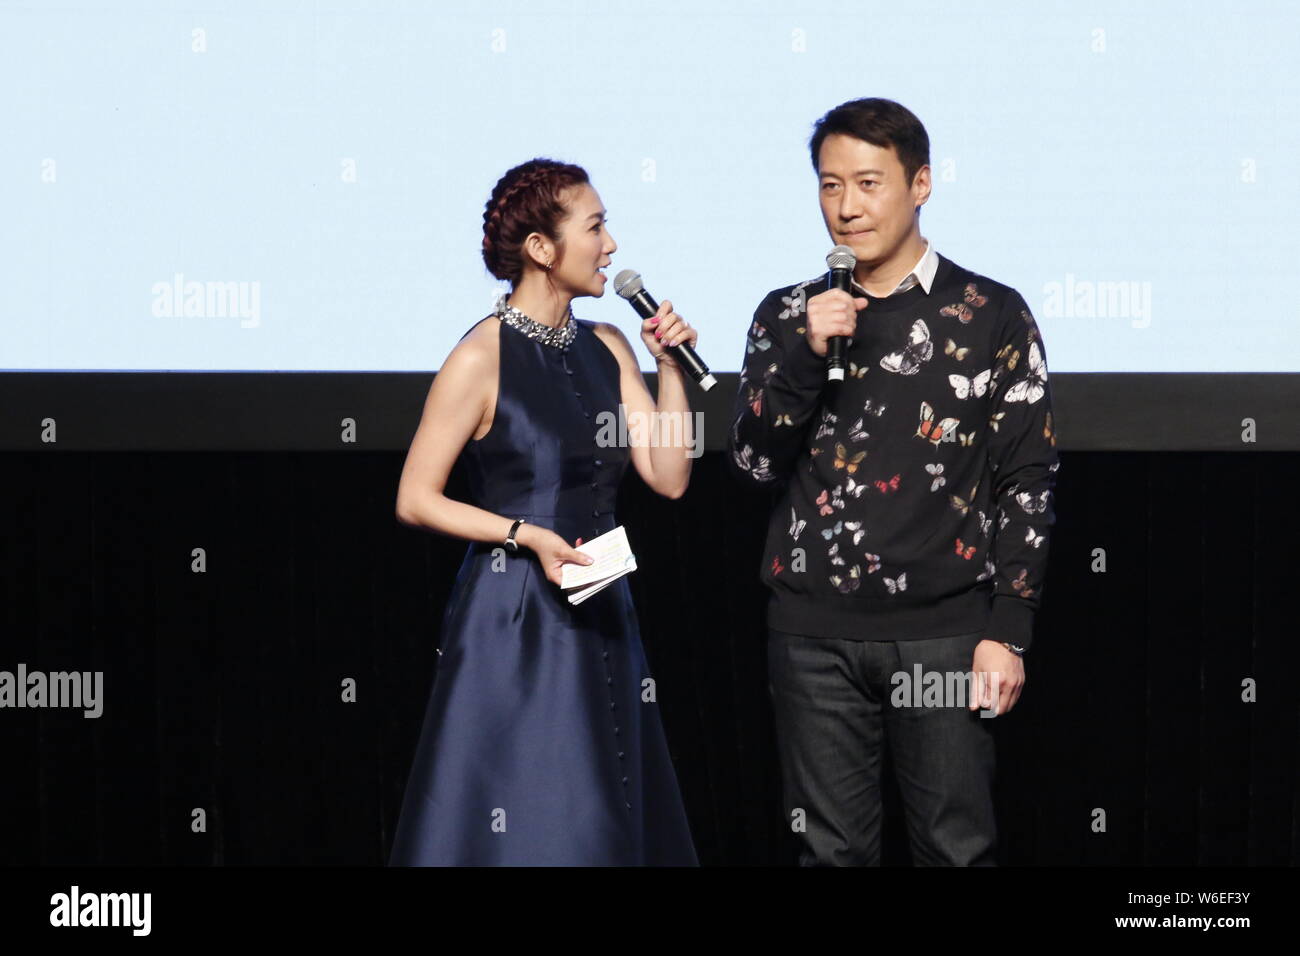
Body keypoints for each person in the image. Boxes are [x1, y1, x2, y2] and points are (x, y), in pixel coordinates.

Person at [726, 98, 1060, 866]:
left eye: (868, 183)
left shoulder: (991, 314)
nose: (846, 208)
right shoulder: (785, 315)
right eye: (829, 185)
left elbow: (1028, 476)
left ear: (921, 184)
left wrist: (1007, 629)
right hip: (812, 638)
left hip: (946, 636)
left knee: (955, 848)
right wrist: (810, 352)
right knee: (829, 854)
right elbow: (749, 466)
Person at [389, 158, 699, 865]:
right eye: (595, 227)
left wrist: (672, 366)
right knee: (537, 811)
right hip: (517, 614)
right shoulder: (481, 356)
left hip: (601, 603)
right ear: (539, 248)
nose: (611, 245)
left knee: (608, 804)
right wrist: (524, 535)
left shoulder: (610, 346)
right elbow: (414, 497)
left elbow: (670, 474)